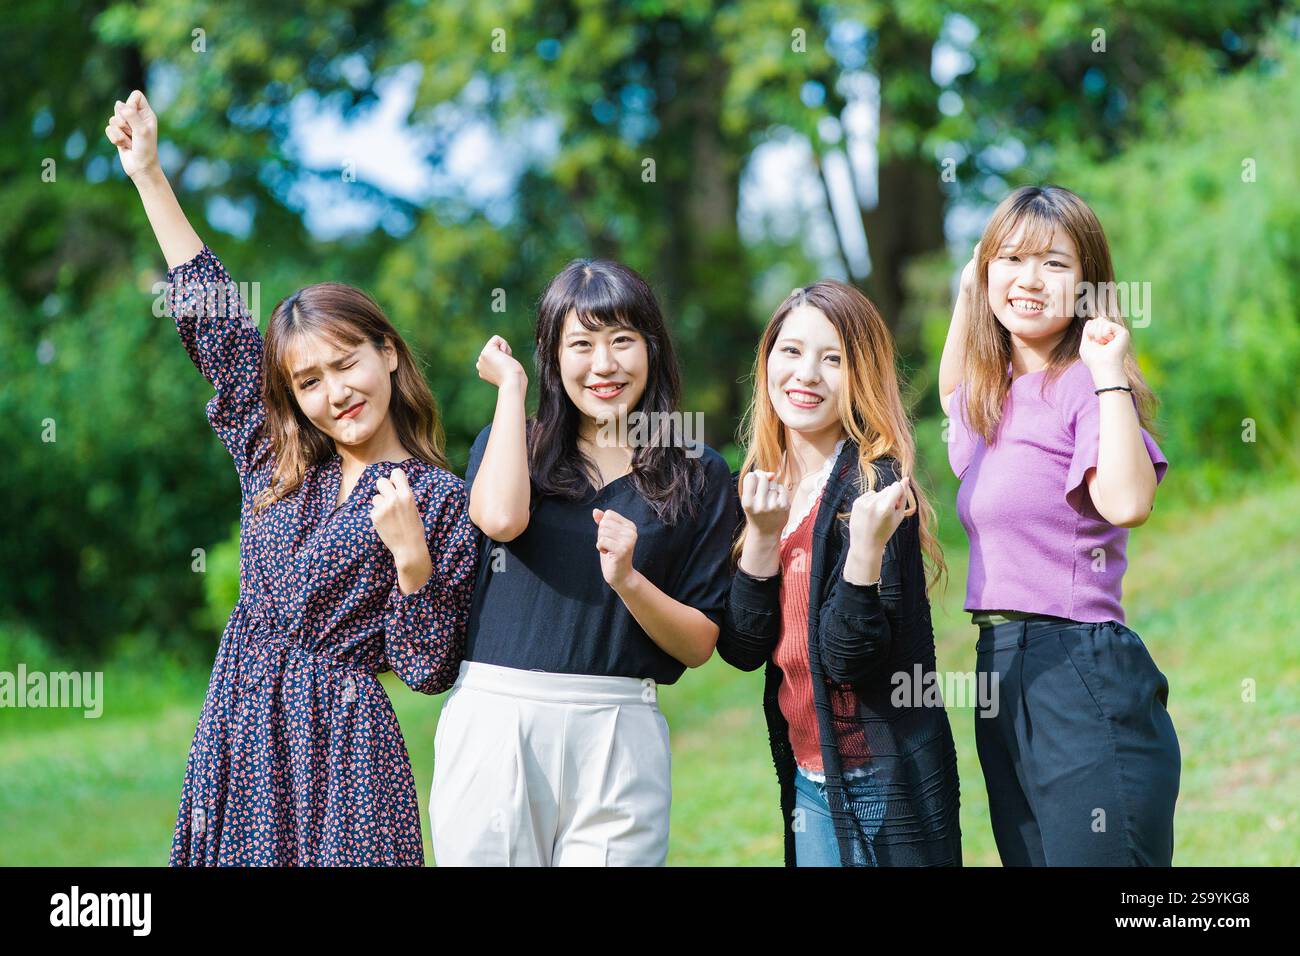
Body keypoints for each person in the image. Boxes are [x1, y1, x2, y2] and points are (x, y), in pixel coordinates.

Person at [105, 90, 479, 865]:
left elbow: (427, 668)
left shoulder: (439, 498)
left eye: (346, 365)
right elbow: (212, 318)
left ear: (389, 354)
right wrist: (148, 174)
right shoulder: (278, 459)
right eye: (309, 382)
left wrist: (413, 565)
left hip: (347, 749)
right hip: (243, 725)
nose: (334, 393)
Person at [430, 259, 739, 866]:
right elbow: (499, 520)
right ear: (552, 354)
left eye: (623, 340)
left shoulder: (698, 471)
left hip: (621, 727)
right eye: (582, 344)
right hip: (497, 720)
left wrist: (628, 580)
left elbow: (699, 642)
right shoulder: (512, 441)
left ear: (652, 349)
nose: (604, 365)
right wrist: (511, 390)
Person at [938, 183, 1181, 866]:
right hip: (1001, 667)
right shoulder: (992, 400)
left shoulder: (1084, 383)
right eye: (1011, 260)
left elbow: (1128, 503)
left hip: (1079, 668)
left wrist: (1110, 373)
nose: (1030, 280)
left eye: (1054, 263)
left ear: (1088, 284)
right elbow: (951, 390)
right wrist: (969, 289)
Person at [718, 280, 962, 866]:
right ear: (767, 360)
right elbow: (744, 646)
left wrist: (862, 553)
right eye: (792, 351)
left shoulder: (872, 487)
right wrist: (761, 535)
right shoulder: (760, 487)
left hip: (879, 780)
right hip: (808, 777)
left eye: (833, 359)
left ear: (860, 376)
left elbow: (847, 658)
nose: (807, 374)